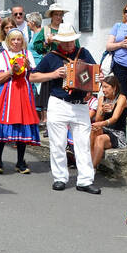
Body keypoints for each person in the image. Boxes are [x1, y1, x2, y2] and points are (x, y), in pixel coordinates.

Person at [30, 27, 99, 192]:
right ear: (59, 41)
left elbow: (95, 72)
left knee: (82, 143)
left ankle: (85, 181)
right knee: (58, 143)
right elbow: (33, 76)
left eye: (71, 41)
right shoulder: (51, 57)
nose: (69, 44)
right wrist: (53, 74)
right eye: (65, 41)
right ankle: (60, 177)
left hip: (80, 104)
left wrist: (96, 81)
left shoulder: (84, 53)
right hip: (59, 103)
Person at [0, 27, 39, 174]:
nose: (16, 42)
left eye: (19, 39)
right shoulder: (4, 56)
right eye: (13, 39)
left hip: (23, 91)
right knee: (2, 124)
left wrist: (28, 67)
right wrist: (11, 71)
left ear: (23, 41)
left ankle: (20, 161)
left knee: (23, 124)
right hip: (8, 91)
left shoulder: (27, 54)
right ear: (9, 41)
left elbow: (33, 76)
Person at [89, 75, 127, 172]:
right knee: (94, 130)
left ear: (114, 87)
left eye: (106, 87)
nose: (103, 90)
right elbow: (98, 120)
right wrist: (102, 110)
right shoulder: (102, 99)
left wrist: (102, 123)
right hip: (106, 129)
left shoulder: (121, 98)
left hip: (118, 133)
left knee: (100, 139)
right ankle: (89, 163)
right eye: (102, 87)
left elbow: (114, 118)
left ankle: (91, 169)